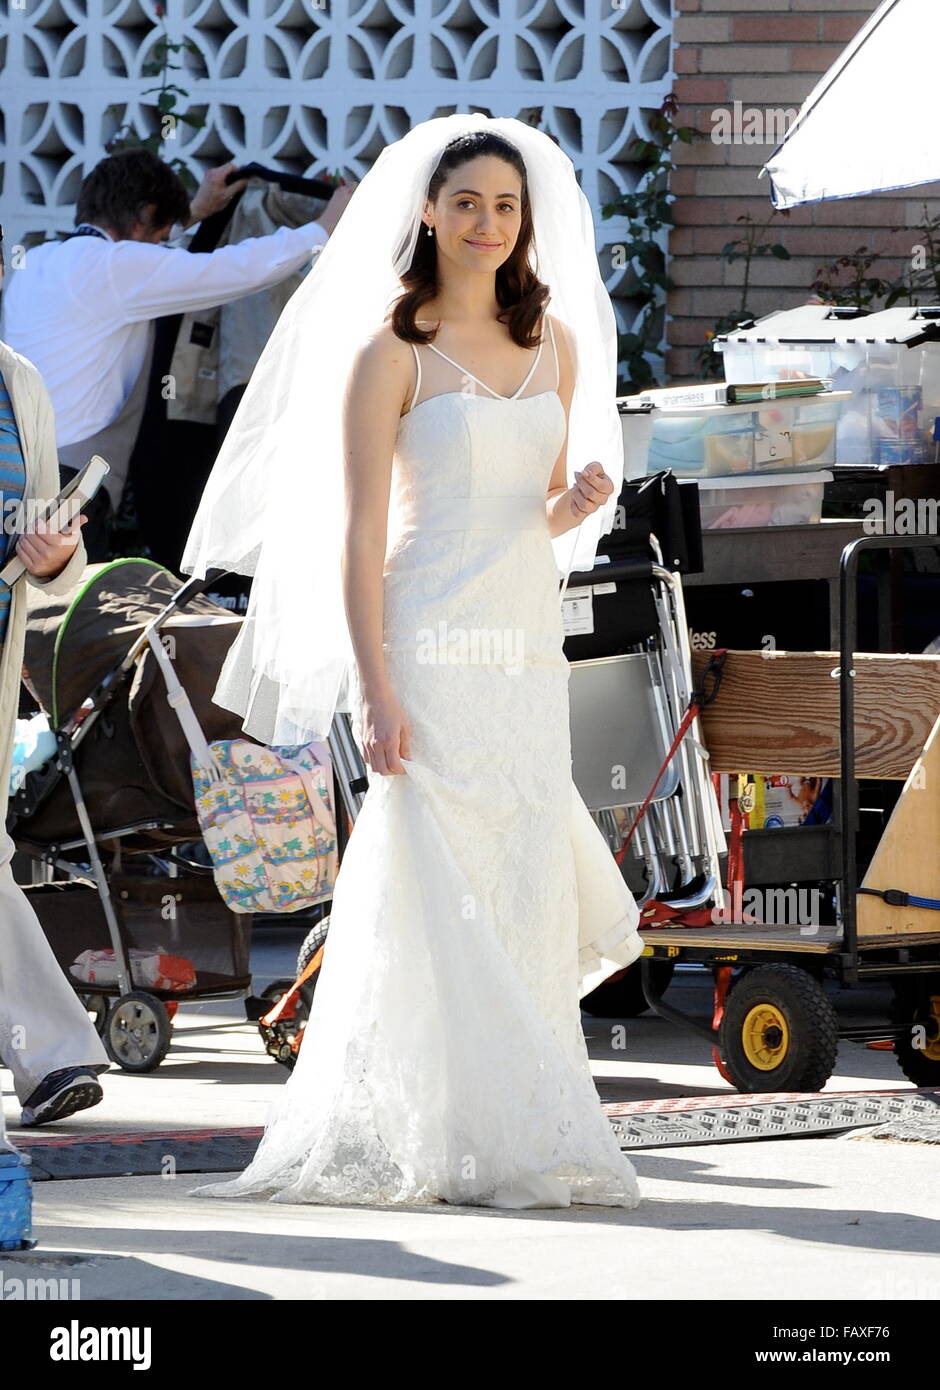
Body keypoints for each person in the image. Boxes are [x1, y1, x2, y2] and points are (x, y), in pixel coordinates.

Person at [183, 116, 644, 1210]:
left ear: (525, 223)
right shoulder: (386, 351)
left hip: (525, 648)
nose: (488, 223)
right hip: (429, 644)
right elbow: (357, 534)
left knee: (519, 869)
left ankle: (523, 1123)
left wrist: (567, 504)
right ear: (427, 214)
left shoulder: (557, 346)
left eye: (506, 206)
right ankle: (427, 1129)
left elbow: (518, 509)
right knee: (430, 881)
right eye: (468, 203)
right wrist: (376, 689)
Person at [1, 149, 355, 558]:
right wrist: (324, 227)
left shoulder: (40, 262)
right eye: (162, 232)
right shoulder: (115, 269)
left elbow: (150, 266)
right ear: (144, 214)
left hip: (15, 472)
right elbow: (232, 269)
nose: (164, 244)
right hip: (67, 489)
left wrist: (195, 212)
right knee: (64, 615)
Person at [0, 228, 111, 1128]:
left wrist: (57, 549)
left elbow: (55, 569)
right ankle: (55, 1054)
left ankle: (54, 1056)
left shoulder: (18, 383)